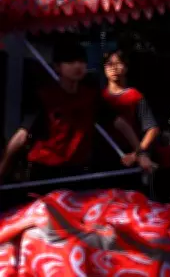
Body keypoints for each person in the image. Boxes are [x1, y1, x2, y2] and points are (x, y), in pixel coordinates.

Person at [0, 41, 152, 189]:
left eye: (81, 61)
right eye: (70, 61)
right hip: (45, 172)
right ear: (57, 67)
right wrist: (2, 170)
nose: (78, 66)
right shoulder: (44, 96)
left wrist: (141, 153)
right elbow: (22, 135)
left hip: (78, 172)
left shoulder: (91, 97)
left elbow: (120, 123)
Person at [97, 49, 160, 190]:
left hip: (130, 160)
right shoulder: (98, 98)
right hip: (103, 159)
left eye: (118, 63)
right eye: (108, 64)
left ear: (126, 67)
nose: (113, 67)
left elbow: (152, 128)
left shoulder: (135, 96)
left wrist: (137, 154)